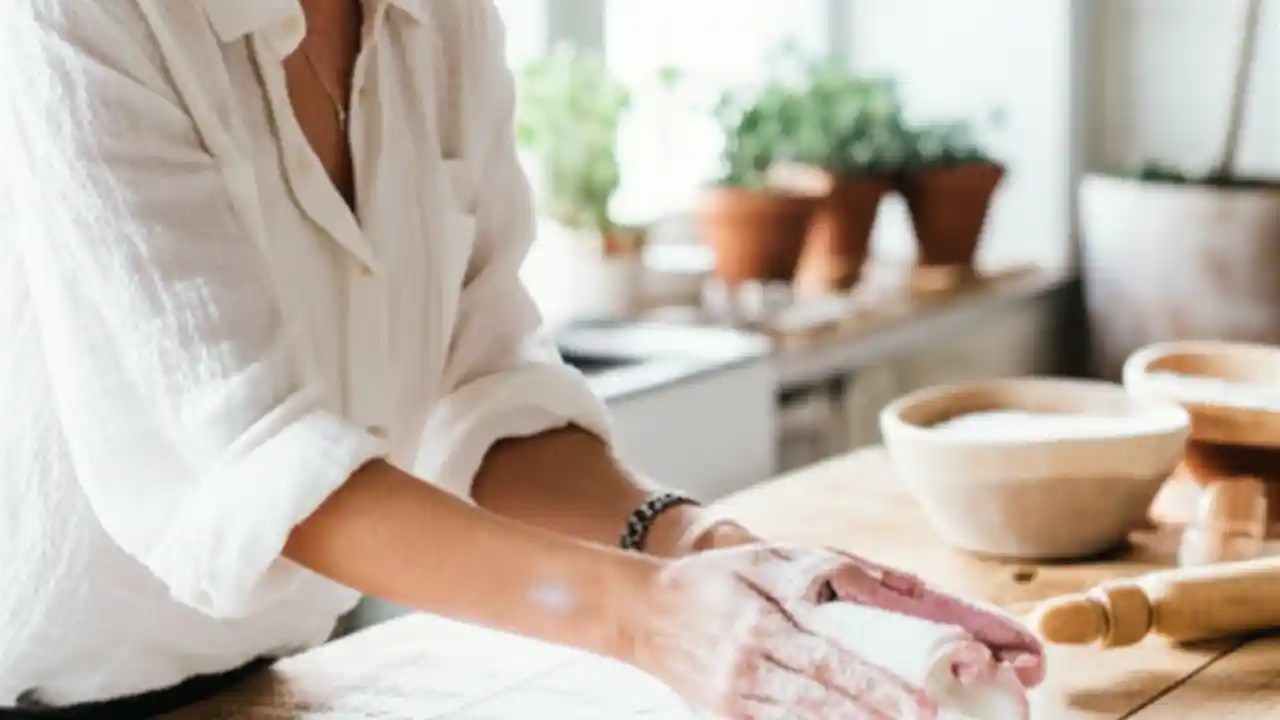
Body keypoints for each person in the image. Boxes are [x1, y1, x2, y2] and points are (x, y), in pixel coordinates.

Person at [0, 1, 1044, 717]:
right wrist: (651, 621)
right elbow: (251, 462)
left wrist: (714, 554)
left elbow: (481, 386)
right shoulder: (76, 18)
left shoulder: (436, 18)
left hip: (269, 680)